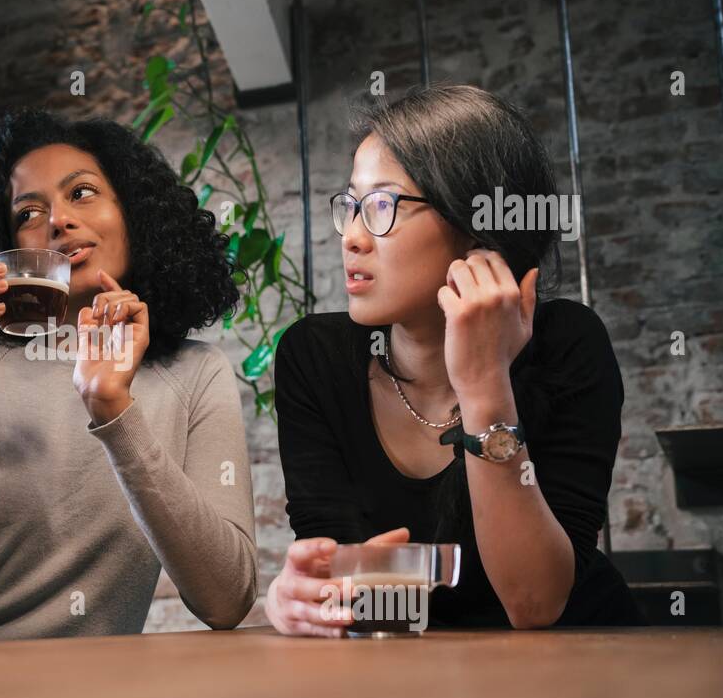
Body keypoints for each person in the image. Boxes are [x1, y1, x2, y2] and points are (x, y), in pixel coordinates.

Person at [0, 109, 256, 645]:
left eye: (82, 193)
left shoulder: (196, 373)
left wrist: (114, 412)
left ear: (135, 213)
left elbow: (226, 599)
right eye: (28, 212)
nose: (58, 220)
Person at [266, 84, 644, 636]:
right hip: (417, 684)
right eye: (350, 205)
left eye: (382, 207)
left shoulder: (566, 345)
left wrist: (484, 383)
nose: (350, 237)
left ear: (476, 228)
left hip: (577, 674)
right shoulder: (315, 358)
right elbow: (344, 579)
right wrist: (297, 596)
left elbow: (535, 604)